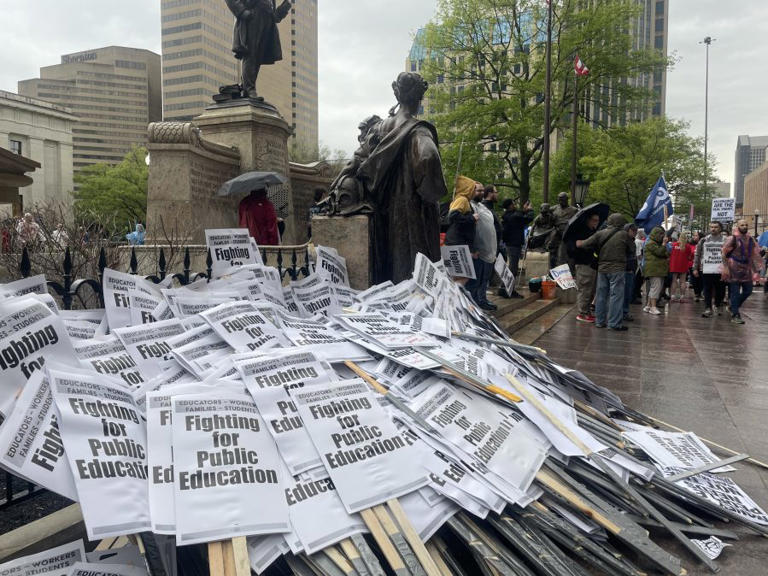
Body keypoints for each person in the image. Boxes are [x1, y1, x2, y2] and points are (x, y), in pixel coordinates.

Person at [357, 72, 446, 283]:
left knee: (388, 264)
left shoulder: (379, 128)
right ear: (419, 99)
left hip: (382, 211)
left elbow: (359, 161)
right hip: (410, 210)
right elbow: (428, 155)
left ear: (397, 94)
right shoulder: (418, 130)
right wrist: (430, 191)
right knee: (411, 265)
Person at [225, 0, 293, 99]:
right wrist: (242, 12)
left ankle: (247, 87)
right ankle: (249, 89)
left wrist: (286, 5)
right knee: (251, 54)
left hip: (267, 19)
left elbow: (276, 17)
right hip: (253, 16)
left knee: (258, 57)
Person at [578, 213, 634, 330]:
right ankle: (614, 324)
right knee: (616, 296)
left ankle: (599, 321)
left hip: (602, 269)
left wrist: (577, 242)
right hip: (617, 269)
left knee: (601, 295)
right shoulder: (624, 235)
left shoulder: (600, 233)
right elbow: (632, 250)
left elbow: (584, 244)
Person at [722, 219, 764, 324]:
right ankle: (735, 314)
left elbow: (753, 256)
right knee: (735, 292)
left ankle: (733, 306)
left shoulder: (751, 239)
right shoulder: (732, 238)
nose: (744, 226)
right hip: (734, 267)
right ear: (738, 226)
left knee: (748, 290)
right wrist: (726, 267)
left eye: (746, 225)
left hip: (746, 268)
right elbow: (724, 253)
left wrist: (755, 270)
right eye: (742, 225)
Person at [466, 181, 498, 310]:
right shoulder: (469, 206)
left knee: (484, 280)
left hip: (489, 251)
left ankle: (481, 300)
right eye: (478, 190)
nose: (481, 192)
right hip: (477, 252)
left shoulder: (482, 207)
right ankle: (473, 304)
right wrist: (471, 249)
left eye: (482, 190)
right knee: (475, 281)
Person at [568, 213, 600, 323]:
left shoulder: (592, 231)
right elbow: (576, 245)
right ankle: (582, 313)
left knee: (590, 290)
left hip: (591, 264)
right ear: (588, 220)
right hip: (583, 263)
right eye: (594, 220)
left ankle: (586, 312)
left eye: (597, 220)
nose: (596, 222)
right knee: (585, 289)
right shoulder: (581, 231)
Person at [500, 198, 534, 298]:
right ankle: (508, 289)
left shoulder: (508, 215)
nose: (515, 205)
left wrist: (524, 210)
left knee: (512, 266)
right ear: (510, 205)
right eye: (513, 203)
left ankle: (504, 288)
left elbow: (518, 215)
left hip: (510, 244)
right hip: (514, 244)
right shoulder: (514, 217)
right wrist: (530, 210)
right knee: (513, 268)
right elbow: (527, 219)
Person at [693, 221, 727, 318]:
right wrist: (695, 268)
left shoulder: (726, 240)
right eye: (711, 227)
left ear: (720, 228)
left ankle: (717, 304)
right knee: (707, 289)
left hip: (720, 269)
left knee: (721, 290)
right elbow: (697, 254)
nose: (713, 229)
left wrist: (728, 268)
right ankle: (708, 308)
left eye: (715, 227)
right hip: (706, 269)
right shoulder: (703, 240)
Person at [643, 226, 669, 315]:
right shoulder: (651, 243)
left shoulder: (656, 243)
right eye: (661, 234)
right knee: (655, 288)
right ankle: (653, 307)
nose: (662, 236)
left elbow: (666, 253)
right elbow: (660, 252)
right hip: (654, 270)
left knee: (654, 288)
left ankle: (648, 306)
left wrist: (664, 245)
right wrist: (664, 244)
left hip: (658, 270)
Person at [550, 192, 579, 268]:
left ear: (567, 199)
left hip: (568, 234)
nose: (560, 201)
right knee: (552, 251)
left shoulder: (574, 210)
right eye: (559, 199)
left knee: (566, 253)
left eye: (562, 199)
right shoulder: (553, 209)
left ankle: (569, 269)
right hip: (556, 233)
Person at [668, 231, 694, 301]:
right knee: (683, 281)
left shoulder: (673, 245)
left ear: (678, 237)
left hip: (674, 265)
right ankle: (682, 296)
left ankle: (672, 296)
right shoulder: (687, 246)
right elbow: (690, 256)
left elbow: (669, 253)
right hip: (683, 265)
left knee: (674, 281)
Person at [623, 223, 639, 322]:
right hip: (625, 270)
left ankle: (624, 312)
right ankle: (623, 313)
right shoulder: (624, 241)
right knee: (623, 294)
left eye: (635, 231)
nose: (634, 233)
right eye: (633, 231)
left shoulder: (632, 241)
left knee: (627, 294)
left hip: (630, 270)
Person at [689, 231, 703, 301]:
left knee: (701, 280)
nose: (694, 237)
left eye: (696, 235)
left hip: (702, 265)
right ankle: (696, 294)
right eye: (693, 235)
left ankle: (701, 293)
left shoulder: (704, 243)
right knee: (695, 280)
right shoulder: (691, 245)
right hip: (692, 265)